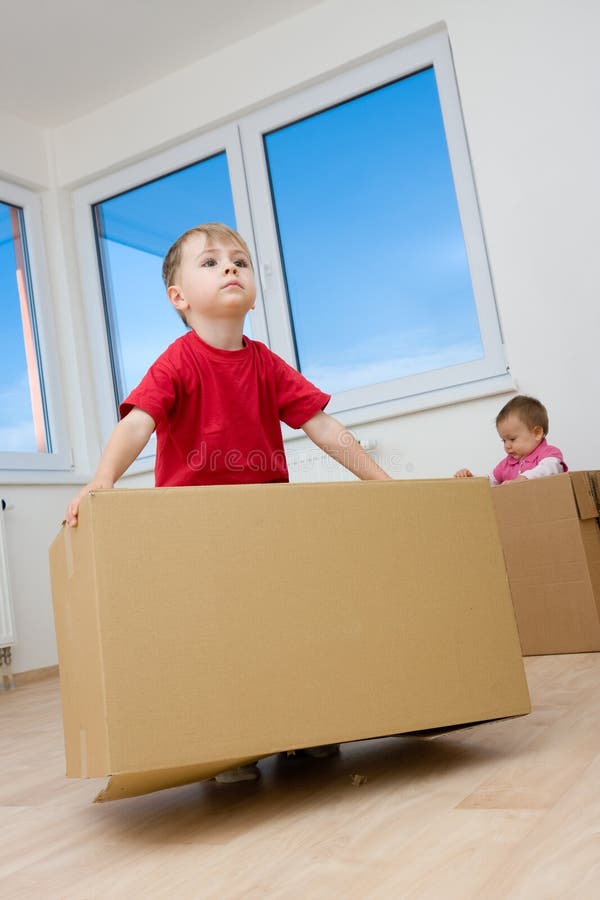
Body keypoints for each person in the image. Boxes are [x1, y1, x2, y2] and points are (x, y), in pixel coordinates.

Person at [66, 222, 392, 782]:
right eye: (211, 262)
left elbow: (321, 425)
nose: (230, 268)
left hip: (265, 527)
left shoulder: (265, 363)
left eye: (239, 261)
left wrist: (380, 482)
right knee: (218, 637)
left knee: (286, 627)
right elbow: (138, 422)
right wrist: (102, 478)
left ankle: (302, 725)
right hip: (195, 532)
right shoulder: (177, 362)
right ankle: (232, 740)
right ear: (179, 297)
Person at [454, 394, 567, 485]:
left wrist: (523, 478)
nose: (507, 446)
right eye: (504, 440)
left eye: (512, 439)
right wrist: (471, 479)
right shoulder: (507, 463)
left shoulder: (549, 453)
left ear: (537, 433)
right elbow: (490, 481)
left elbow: (549, 469)